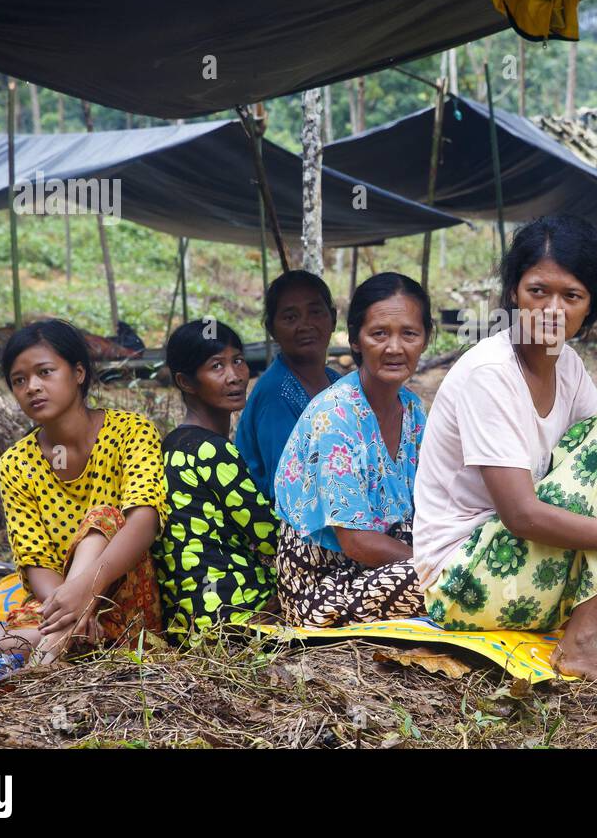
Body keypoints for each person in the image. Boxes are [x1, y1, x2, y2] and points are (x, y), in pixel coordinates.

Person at [412, 215, 597, 690]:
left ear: (592, 309)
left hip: (520, 566)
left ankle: (592, 622)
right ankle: (585, 641)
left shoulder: (567, 365)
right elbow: (523, 516)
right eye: (537, 291)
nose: (551, 309)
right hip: (464, 581)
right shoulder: (490, 373)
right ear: (512, 295)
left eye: (572, 296)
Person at [0, 319, 164, 665]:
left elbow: (144, 522)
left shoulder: (131, 432)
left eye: (45, 372)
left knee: (104, 517)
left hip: (126, 597)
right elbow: (35, 560)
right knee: (47, 621)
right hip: (54, 606)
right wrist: (67, 604)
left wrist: (84, 589)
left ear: (79, 373)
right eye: (19, 380)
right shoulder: (16, 462)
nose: (32, 387)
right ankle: (57, 640)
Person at [272, 273, 431, 627]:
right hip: (323, 585)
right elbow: (356, 542)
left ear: (425, 340)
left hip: (383, 562)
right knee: (445, 581)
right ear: (356, 340)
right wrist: (433, 563)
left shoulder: (413, 409)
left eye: (409, 333)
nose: (394, 347)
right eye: (379, 334)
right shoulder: (337, 416)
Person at [156, 319, 281, 642]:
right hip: (233, 615)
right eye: (217, 366)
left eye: (238, 360)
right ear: (186, 381)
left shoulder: (171, 444)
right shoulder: (212, 450)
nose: (235, 376)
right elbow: (271, 537)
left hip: (187, 619)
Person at [235, 270, 340, 502]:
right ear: (272, 329)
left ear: (333, 318)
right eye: (290, 318)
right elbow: (287, 491)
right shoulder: (277, 395)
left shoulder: (336, 383)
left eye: (315, 312)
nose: (305, 325)